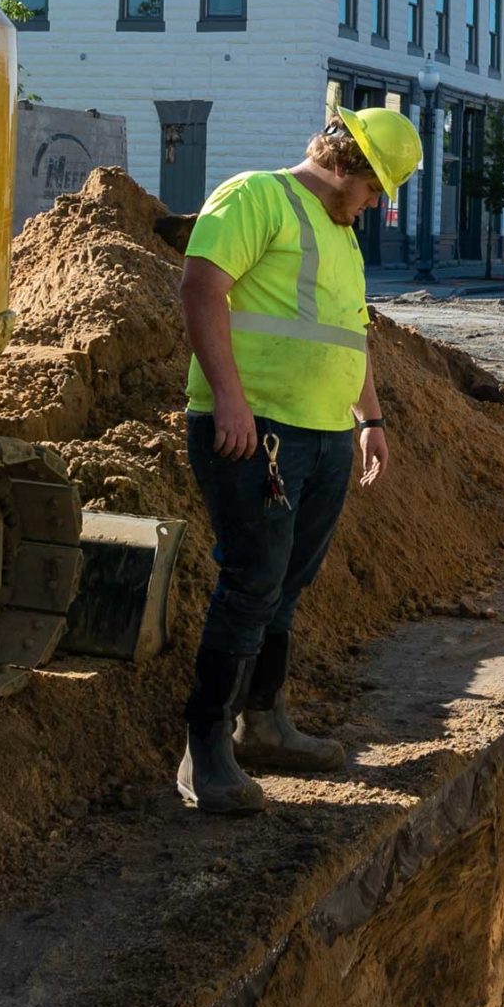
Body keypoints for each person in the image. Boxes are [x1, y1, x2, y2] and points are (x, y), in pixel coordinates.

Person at [177, 105, 423, 816]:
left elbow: (350, 335)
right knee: (252, 578)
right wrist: (229, 399)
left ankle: (265, 722)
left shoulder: (341, 237)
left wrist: (369, 417)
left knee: (285, 581)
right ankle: (205, 748)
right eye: (375, 190)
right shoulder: (257, 197)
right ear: (348, 163)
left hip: (322, 435)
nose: (375, 206)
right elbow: (201, 290)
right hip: (255, 432)